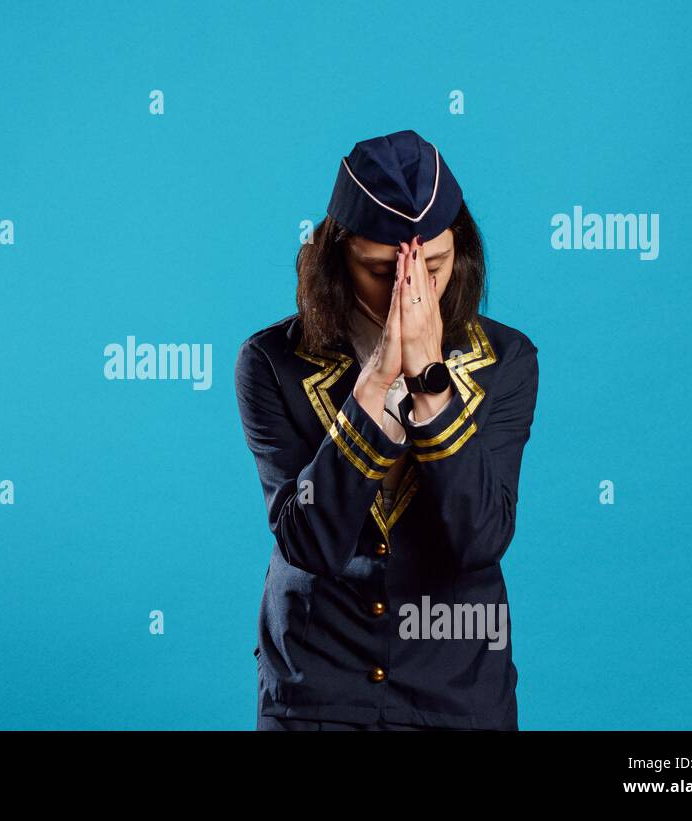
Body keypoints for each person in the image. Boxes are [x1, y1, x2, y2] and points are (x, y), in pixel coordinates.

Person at [234, 130, 540, 731]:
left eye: (434, 266)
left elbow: (479, 540)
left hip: (457, 689)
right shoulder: (270, 361)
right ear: (334, 260)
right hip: (314, 687)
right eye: (381, 270)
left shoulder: (509, 360)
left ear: (463, 254)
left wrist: (431, 384)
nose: (411, 291)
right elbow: (310, 542)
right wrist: (373, 385)